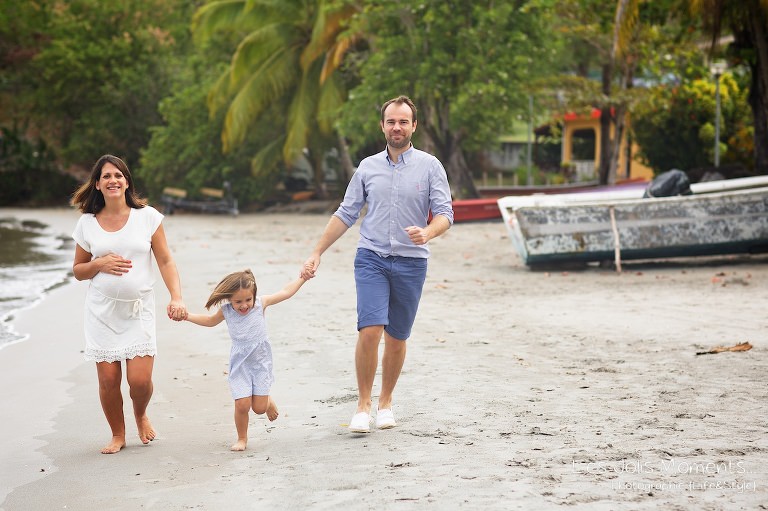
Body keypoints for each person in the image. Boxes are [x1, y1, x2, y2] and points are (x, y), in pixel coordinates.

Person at [301, 95, 453, 433]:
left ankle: (386, 403)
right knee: (370, 330)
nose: (396, 127)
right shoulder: (367, 167)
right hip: (371, 258)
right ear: (383, 125)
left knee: (397, 338)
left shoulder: (430, 166)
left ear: (414, 126)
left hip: (412, 263)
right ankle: (363, 405)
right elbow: (346, 213)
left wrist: (427, 233)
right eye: (391, 121)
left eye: (403, 121)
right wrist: (317, 251)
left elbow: (445, 214)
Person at [71, 154, 187, 454]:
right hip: (101, 312)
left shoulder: (147, 217)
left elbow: (165, 259)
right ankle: (118, 434)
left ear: (126, 181)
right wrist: (99, 263)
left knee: (140, 381)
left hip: (139, 309)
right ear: (97, 184)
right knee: (109, 380)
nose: (113, 180)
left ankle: (140, 413)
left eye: (118, 175)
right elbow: (78, 271)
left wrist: (176, 296)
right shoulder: (87, 224)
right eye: (106, 176)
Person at [182, 269, 307, 451]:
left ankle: (267, 401)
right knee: (242, 404)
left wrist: (302, 278)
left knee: (258, 408)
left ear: (253, 295)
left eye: (247, 300)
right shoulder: (226, 311)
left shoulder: (260, 304)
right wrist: (187, 316)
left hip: (261, 363)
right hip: (240, 364)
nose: (243, 305)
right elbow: (209, 321)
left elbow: (286, 292)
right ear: (229, 299)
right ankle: (242, 438)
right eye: (238, 302)